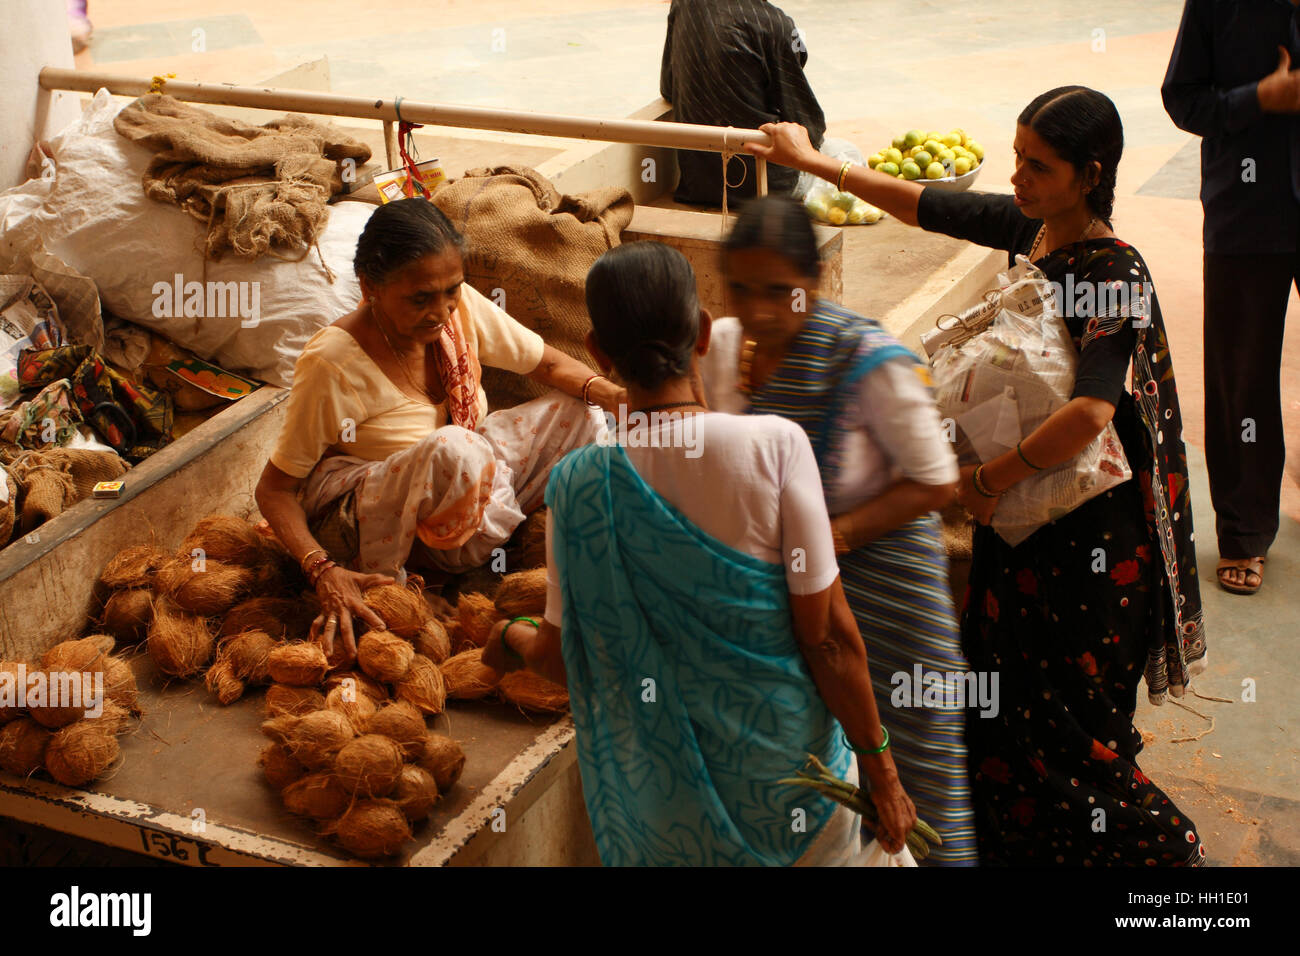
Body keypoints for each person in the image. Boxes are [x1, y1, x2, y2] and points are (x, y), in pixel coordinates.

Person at [745, 86, 1207, 865]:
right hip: (1027, 526)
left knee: (1065, 728)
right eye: (1018, 157)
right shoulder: (1033, 228)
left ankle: (1170, 858)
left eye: (1040, 166)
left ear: (1090, 174)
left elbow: (1093, 412)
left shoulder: (1112, 272)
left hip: (1088, 538)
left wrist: (991, 479)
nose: (1019, 176)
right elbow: (922, 204)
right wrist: (812, 162)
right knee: (1011, 712)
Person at [481, 241, 917, 866]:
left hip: (669, 817)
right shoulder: (773, 446)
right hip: (796, 787)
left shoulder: (575, 484)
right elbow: (828, 642)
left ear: (598, 353)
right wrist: (885, 778)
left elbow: (561, 659)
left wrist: (511, 633)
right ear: (705, 332)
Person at [698, 195, 977, 866]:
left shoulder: (871, 359)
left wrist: (834, 537)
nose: (759, 309)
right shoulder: (727, 348)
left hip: (892, 601)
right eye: (741, 289)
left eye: (780, 292)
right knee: (830, 770)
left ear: (814, 283)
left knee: (917, 775)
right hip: (804, 598)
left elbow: (938, 482)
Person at [255, 199, 621, 664]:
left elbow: (545, 362)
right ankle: (407, 582)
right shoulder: (332, 362)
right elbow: (275, 490)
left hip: (469, 485)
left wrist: (612, 394)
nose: (442, 311)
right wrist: (324, 572)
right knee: (457, 449)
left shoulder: (457, 311)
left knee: (581, 408)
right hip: (375, 519)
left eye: (452, 290)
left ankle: (518, 548)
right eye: (420, 298)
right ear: (370, 288)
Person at [1161, 0, 1300, 595]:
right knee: (1241, 374)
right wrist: (1259, 99)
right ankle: (1244, 534)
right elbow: (1183, 98)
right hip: (1248, 209)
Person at [660, 0, 826, 206]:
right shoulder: (775, 24)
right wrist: (790, 54)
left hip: (697, 183)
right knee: (845, 152)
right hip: (763, 186)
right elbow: (809, 125)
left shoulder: (684, 4)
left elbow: (668, 88)